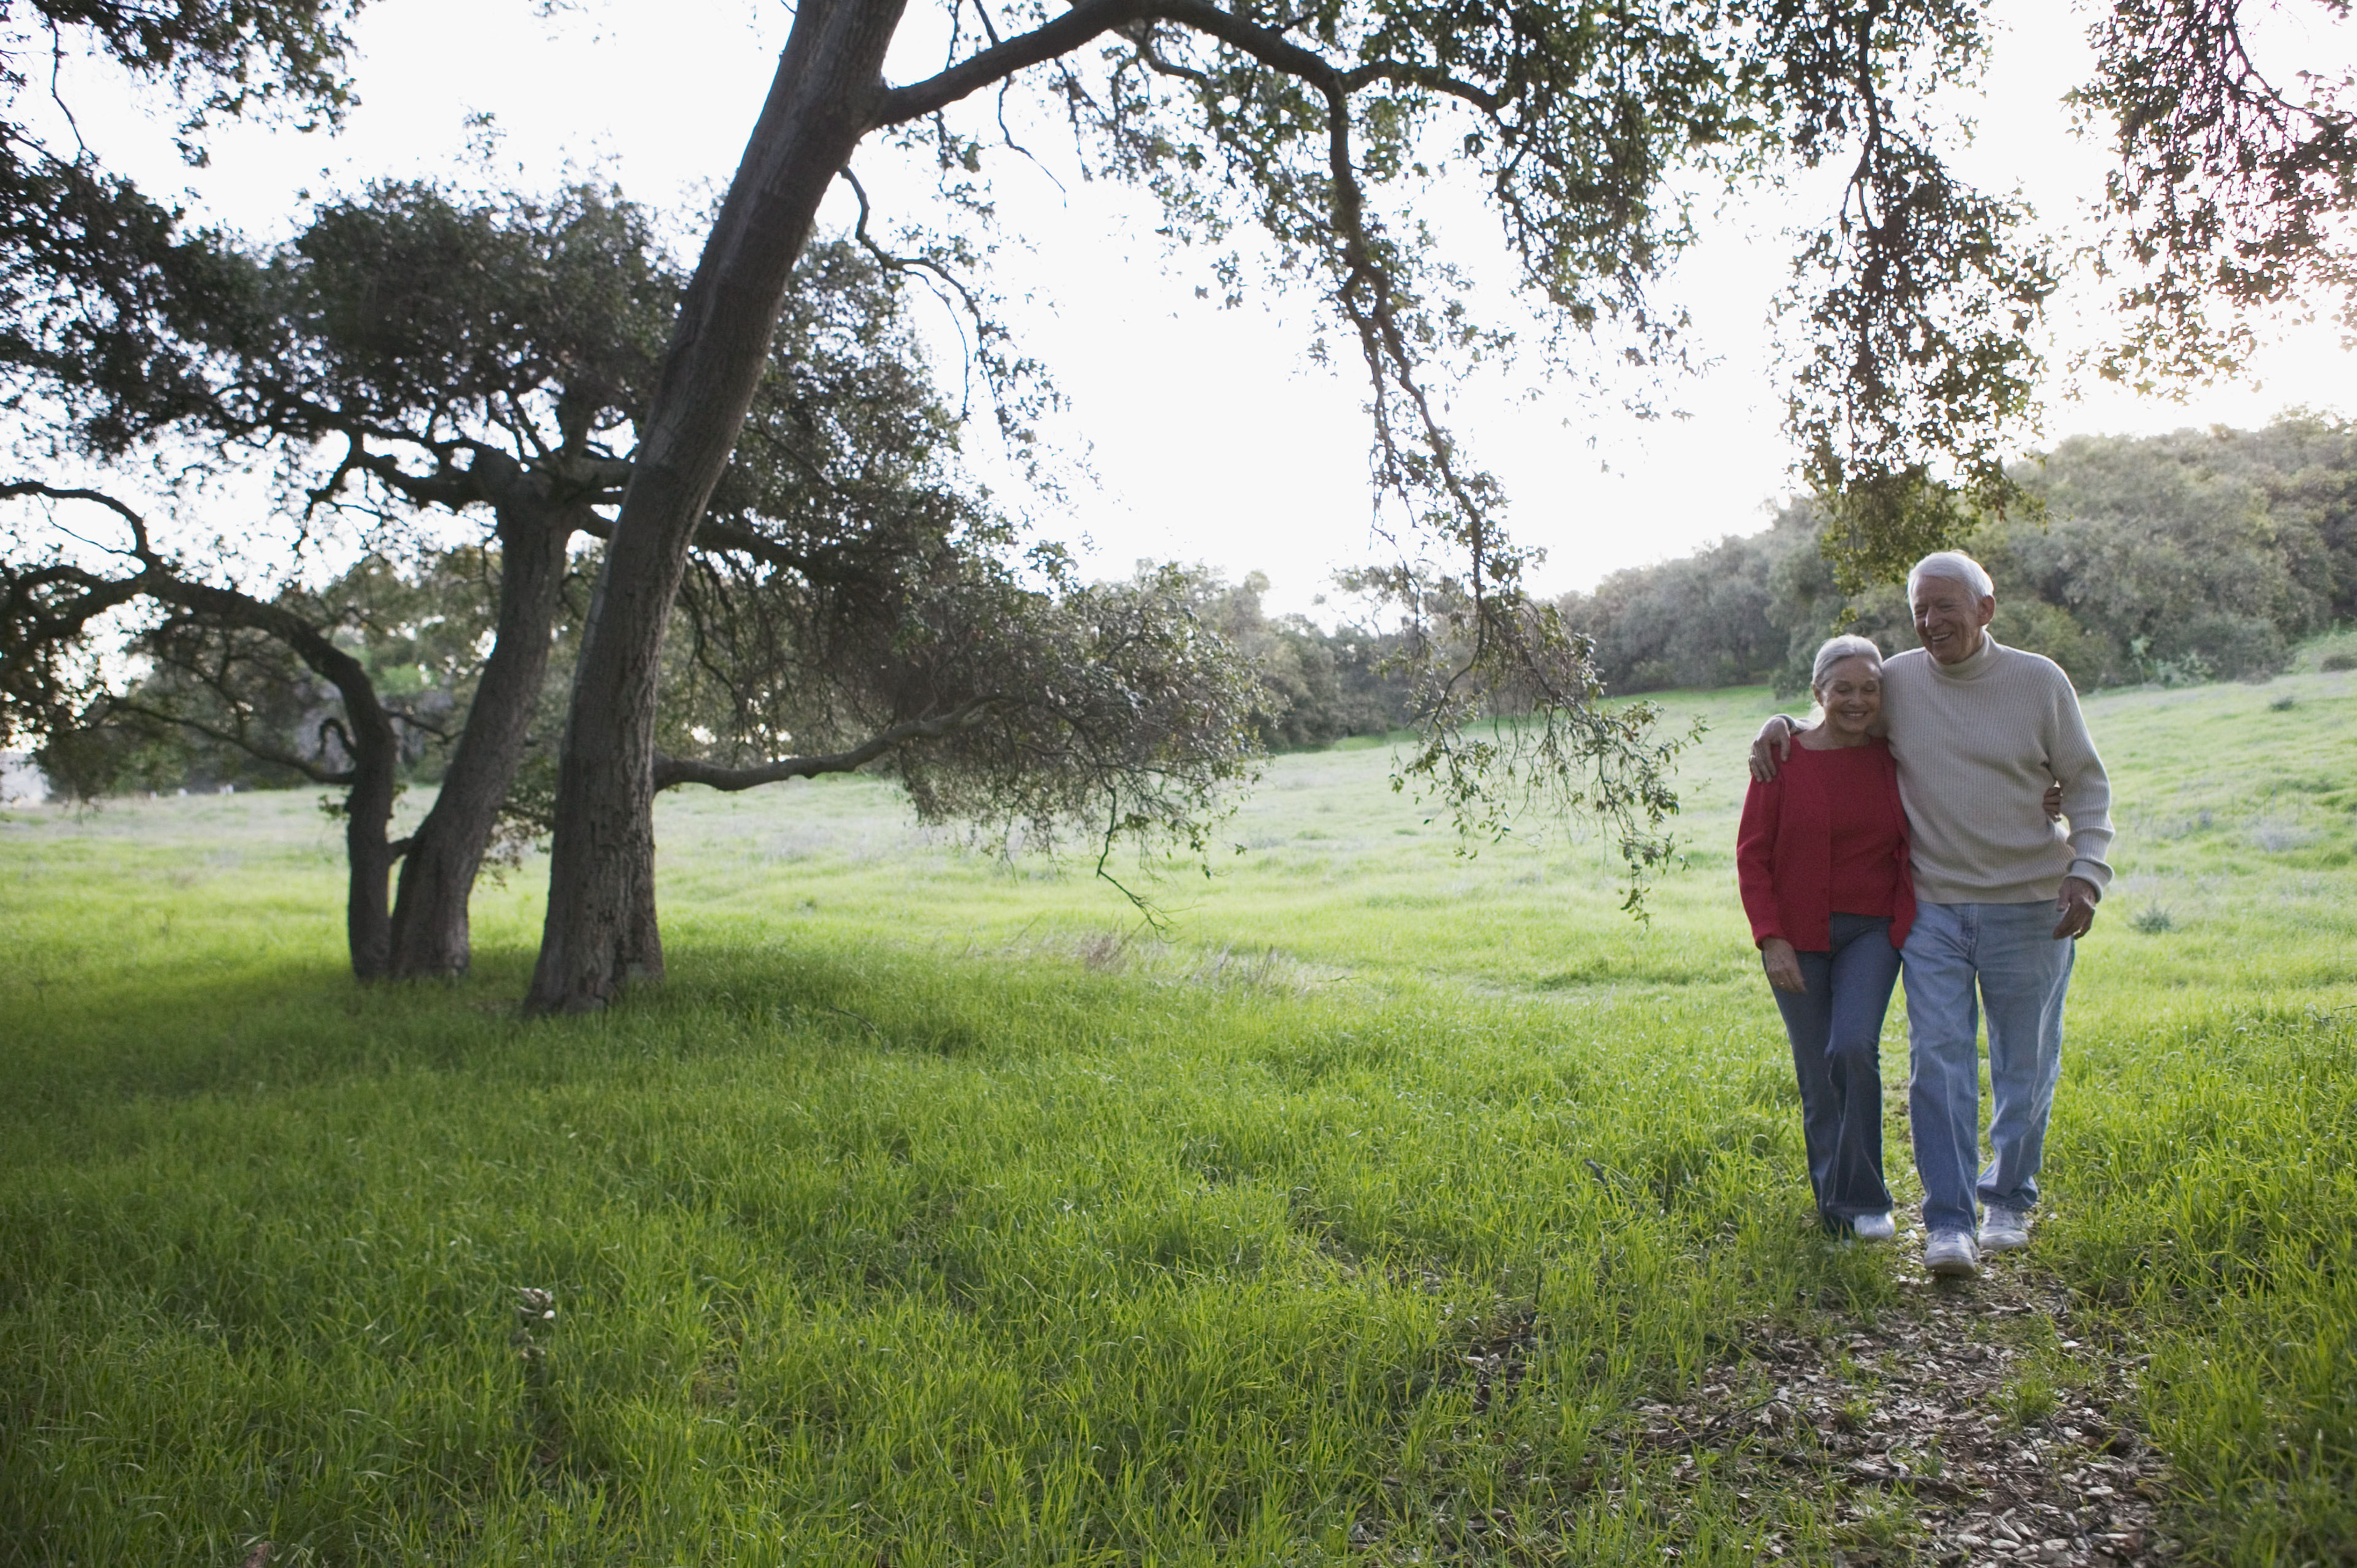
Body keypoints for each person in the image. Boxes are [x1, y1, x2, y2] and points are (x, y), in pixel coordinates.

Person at [1752, 551, 2114, 1279]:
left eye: (1946, 605)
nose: (1931, 620)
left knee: (2024, 1063)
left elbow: (2085, 782)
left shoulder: (2039, 681)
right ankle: (1949, 1221)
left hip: (2030, 905)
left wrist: (2086, 871)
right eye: (1920, 607)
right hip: (1934, 907)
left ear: (1986, 608)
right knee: (1937, 1062)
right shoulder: (1901, 681)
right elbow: (1841, 715)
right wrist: (1779, 723)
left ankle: (2007, 1198)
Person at [1738, 634, 1913, 1241]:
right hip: (1798, 936)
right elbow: (1752, 855)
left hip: (1873, 930)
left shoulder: (1893, 757)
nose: (1857, 700)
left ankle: (1867, 1198)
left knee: (1853, 1048)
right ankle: (1835, 1212)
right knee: (1817, 1072)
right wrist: (1771, 938)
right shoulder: (1781, 758)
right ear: (1819, 692)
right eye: (1844, 689)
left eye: (1870, 688)